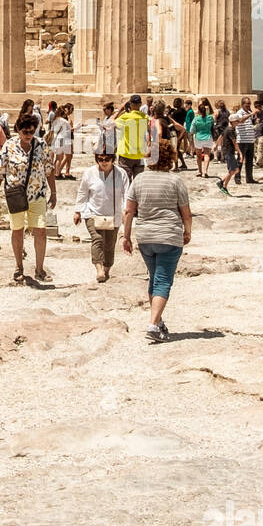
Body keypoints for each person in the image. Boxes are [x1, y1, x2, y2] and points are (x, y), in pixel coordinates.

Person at [122, 142, 192, 343]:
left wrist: (126, 237)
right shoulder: (175, 181)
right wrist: (188, 232)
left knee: (154, 278)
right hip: (169, 235)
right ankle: (153, 325)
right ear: (170, 158)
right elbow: (186, 213)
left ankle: (159, 322)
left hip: (145, 237)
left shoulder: (139, 180)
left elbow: (129, 211)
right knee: (163, 281)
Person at [0, 114, 56, 284]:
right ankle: (19, 267)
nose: (28, 134)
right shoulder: (9, 146)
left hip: (38, 194)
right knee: (17, 230)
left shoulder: (41, 145)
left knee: (40, 230)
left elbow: (49, 170)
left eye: (31, 131)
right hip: (16, 196)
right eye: (25, 131)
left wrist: (53, 193)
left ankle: (40, 269)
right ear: (18, 130)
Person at [74, 148, 128, 283]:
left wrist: (126, 210)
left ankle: (107, 268)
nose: (103, 163)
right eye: (100, 159)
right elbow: (83, 192)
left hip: (113, 214)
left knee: (110, 244)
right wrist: (78, 211)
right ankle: (99, 269)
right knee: (97, 239)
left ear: (112, 159)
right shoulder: (89, 173)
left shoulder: (121, 174)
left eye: (107, 159)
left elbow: (127, 193)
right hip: (92, 212)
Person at [115, 95, 150, 187]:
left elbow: (111, 123)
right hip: (139, 154)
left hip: (126, 153)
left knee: (125, 182)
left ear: (130, 104)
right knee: (138, 183)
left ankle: (127, 200)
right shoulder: (145, 118)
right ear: (140, 104)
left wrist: (120, 110)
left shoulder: (125, 117)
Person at [231, 95, 259, 184]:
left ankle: (249, 178)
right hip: (242, 140)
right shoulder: (240, 112)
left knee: (250, 161)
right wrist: (251, 114)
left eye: (249, 104)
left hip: (250, 140)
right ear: (242, 104)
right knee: (240, 160)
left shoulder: (249, 112)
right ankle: (237, 177)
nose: (249, 105)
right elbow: (241, 120)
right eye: (247, 104)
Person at [215, 101, 241, 194]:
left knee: (236, 169)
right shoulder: (230, 130)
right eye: (237, 121)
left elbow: (220, 136)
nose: (238, 122)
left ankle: (221, 182)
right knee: (233, 170)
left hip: (228, 151)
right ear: (233, 121)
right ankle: (224, 187)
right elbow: (234, 143)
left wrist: (216, 145)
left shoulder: (227, 129)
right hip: (229, 152)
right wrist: (240, 153)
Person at [189, 100, 215, 178]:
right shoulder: (210, 118)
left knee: (198, 155)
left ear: (199, 110)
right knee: (207, 155)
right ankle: (205, 171)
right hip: (208, 137)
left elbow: (192, 130)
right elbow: (212, 127)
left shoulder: (196, 119)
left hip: (198, 138)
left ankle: (200, 171)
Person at [51, 102, 75, 178]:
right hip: (63, 139)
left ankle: (56, 172)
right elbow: (69, 130)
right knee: (60, 157)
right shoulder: (64, 121)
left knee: (58, 157)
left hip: (58, 138)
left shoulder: (56, 119)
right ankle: (57, 173)